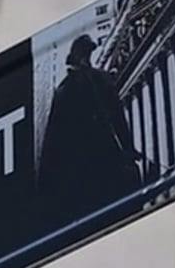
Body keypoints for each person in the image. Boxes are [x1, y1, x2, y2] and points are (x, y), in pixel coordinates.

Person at [37, 31, 144, 223]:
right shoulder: (69, 89)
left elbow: (118, 118)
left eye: (87, 55)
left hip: (100, 160)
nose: (85, 59)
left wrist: (128, 149)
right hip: (87, 163)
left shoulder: (95, 82)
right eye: (83, 55)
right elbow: (55, 140)